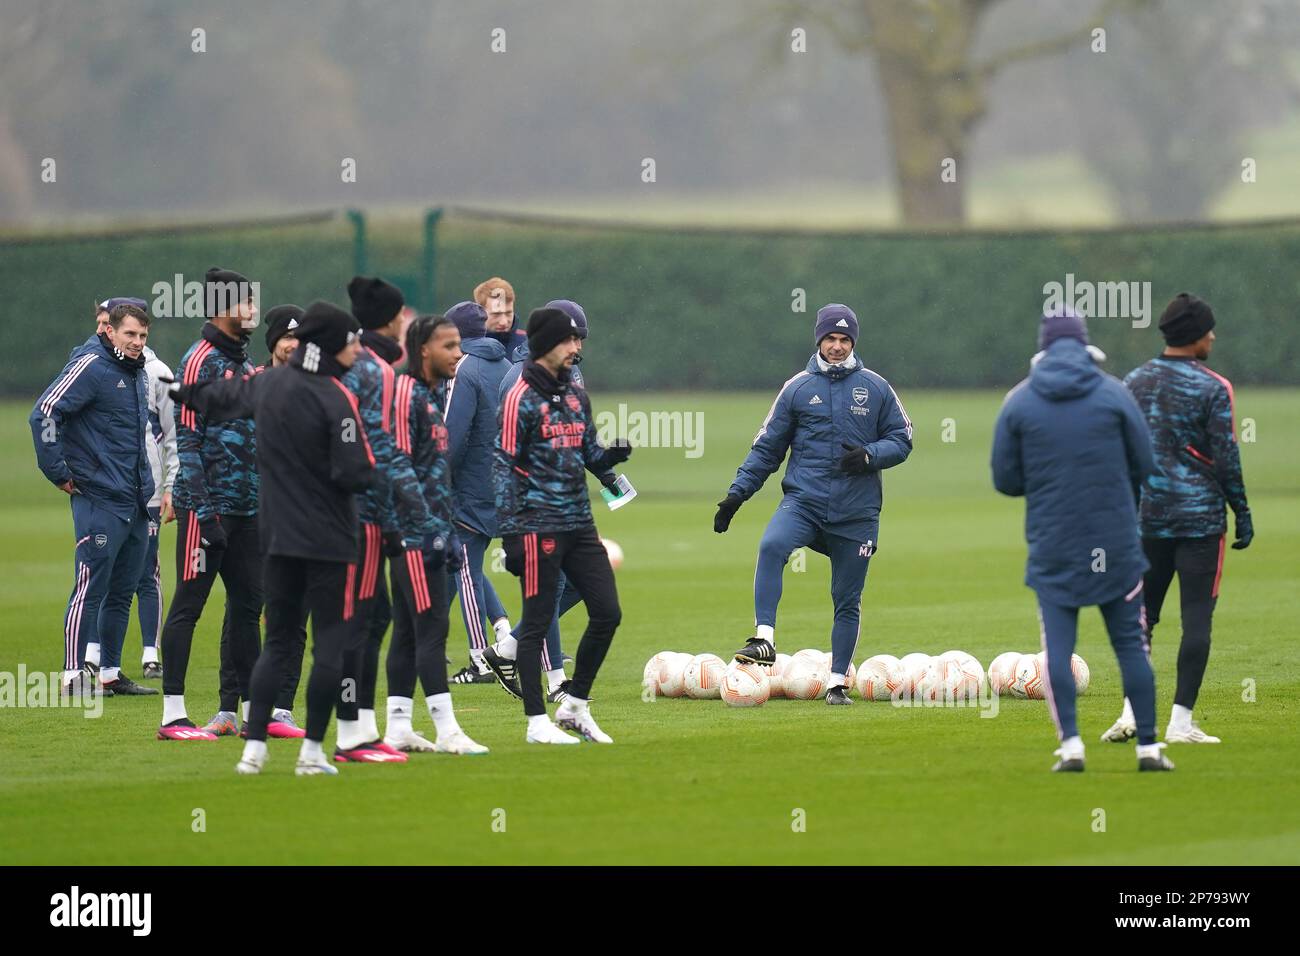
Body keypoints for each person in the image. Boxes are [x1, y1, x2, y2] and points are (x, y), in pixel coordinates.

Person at [170, 301, 376, 774]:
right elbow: (354, 472)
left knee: (276, 643)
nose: (356, 350)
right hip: (327, 539)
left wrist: (181, 390)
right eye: (350, 342)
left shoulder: (267, 383)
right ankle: (311, 754)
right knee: (328, 647)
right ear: (329, 346)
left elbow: (217, 400)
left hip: (277, 536)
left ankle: (253, 750)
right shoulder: (335, 397)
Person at [992, 308, 1174, 772]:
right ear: (1085, 343)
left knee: (1056, 648)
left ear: (1044, 345)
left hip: (1054, 544)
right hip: (1114, 542)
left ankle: (1071, 747)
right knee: (1131, 646)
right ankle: (1149, 749)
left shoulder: (1020, 401)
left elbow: (1006, 480)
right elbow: (1146, 462)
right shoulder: (1114, 394)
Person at [714, 304, 913, 706]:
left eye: (844, 340)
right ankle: (764, 639)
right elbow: (767, 448)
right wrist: (738, 494)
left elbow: (903, 438)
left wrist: (870, 455)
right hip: (804, 502)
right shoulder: (798, 388)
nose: (837, 346)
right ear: (818, 340)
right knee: (772, 546)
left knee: (846, 597)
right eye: (830, 339)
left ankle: (837, 682)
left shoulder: (876, 388)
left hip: (856, 512)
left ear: (853, 342)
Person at [1102, 293, 1252, 745]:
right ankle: (1180, 724)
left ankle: (1130, 713)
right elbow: (1226, 458)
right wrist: (1241, 512)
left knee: (1142, 619)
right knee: (1197, 621)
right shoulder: (1213, 387)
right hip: (1202, 523)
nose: (1213, 336)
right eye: (1209, 329)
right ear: (1195, 335)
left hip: (1147, 520)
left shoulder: (1133, 381)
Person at [481, 307, 631, 743]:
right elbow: (502, 467)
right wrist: (511, 536)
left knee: (608, 612)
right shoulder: (519, 398)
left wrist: (611, 458)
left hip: (579, 523)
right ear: (547, 345)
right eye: (569, 341)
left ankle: (575, 706)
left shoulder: (574, 395)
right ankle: (535, 723)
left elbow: (588, 453)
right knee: (538, 617)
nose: (577, 348)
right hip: (536, 526)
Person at [157, 267, 264, 739]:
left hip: (247, 509)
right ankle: (172, 716)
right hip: (208, 512)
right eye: (245, 303)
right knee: (189, 605)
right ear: (222, 308)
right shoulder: (199, 361)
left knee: (247, 604)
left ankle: (246, 712)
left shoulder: (242, 361)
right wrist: (204, 511)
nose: (253, 310)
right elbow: (190, 441)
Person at [31, 302, 158, 697]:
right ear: (110, 332)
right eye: (130, 335)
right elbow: (45, 412)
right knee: (90, 586)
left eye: (142, 336)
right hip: (99, 498)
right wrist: (58, 472)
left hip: (136, 500)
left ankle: (110, 672)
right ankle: (72, 675)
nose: (137, 343)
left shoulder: (136, 373)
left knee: (123, 590)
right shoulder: (92, 366)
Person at [381, 315, 486, 754]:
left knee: (408, 630)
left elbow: (435, 471)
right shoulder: (406, 393)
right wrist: (429, 529)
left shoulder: (435, 391)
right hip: (415, 538)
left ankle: (399, 726)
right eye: (448, 346)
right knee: (431, 628)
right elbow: (399, 465)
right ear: (423, 349)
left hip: (437, 531)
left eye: (458, 345)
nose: (457, 354)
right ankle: (447, 730)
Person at [334, 275, 427, 762]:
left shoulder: (344, 362)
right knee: (360, 622)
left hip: (334, 510)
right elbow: (384, 452)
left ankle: (362, 728)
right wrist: (413, 511)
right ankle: (351, 734)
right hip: (365, 514)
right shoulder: (376, 371)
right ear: (394, 319)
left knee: (368, 618)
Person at [495, 299, 606, 701]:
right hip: (534, 509)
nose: (576, 347)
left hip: (569, 505)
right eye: (569, 338)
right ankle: (556, 682)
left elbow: (577, 440)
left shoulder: (571, 374)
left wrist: (607, 474)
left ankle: (508, 648)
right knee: (552, 585)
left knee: (578, 586)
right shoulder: (517, 382)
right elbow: (506, 457)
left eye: (580, 339)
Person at [212, 305, 311, 737]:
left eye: (301, 339)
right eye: (287, 338)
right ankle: (229, 708)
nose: (293, 345)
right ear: (272, 343)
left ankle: (282, 709)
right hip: (254, 514)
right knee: (242, 610)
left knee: (292, 615)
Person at [441, 301, 514, 684]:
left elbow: (453, 435)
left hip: (470, 486)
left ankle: (480, 657)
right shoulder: (504, 365)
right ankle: (506, 633)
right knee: (470, 564)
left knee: (464, 569)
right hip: (502, 483)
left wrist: (436, 478)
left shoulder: (464, 369)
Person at [475, 276, 526, 354]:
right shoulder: (464, 346)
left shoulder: (529, 344)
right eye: (496, 314)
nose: (504, 322)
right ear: (481, 312)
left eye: (508, 313)